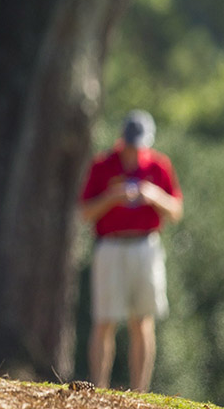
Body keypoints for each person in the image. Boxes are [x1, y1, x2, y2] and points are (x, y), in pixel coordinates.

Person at [79, 109, 183, 392]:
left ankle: (140, 393)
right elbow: (85, 212)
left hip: (145, 247)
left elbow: (175, 211)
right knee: (105, 321)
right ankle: (98, 389)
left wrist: (153, 196)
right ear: (121, 140)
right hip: (110, 247)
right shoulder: (103, 165)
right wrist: (112, 197)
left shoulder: (159, 166)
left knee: (143, 321)